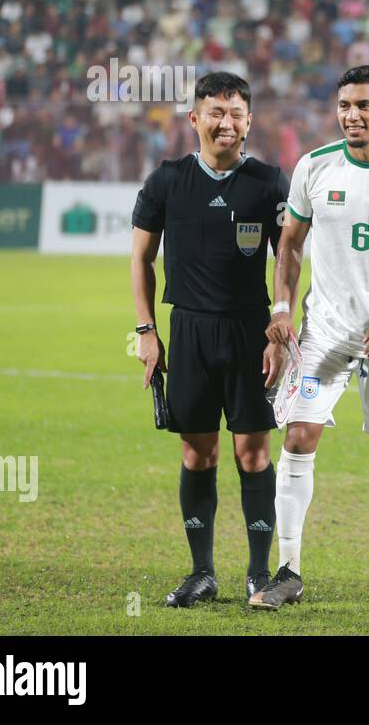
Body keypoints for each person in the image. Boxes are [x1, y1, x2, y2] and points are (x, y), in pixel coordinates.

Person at [251, 65, 369, 612]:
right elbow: (289, 244)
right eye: (344, 105)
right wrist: (283, 307)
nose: (351, 115)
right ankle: (287, 571)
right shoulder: (314, 167)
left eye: (363, 105)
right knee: (297, 438)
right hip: (325, 332)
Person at [130, 71, 289, 607]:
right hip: (189, 329)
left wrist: (281, 328)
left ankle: (259, 574)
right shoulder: (167, 180)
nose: (227, 123)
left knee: (253, 453)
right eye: (216, 113)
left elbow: (286, 259)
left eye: (237, 113)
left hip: (251, 331)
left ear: (249, 120)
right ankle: (202, 572)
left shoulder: (270, 183)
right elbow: (140, 259)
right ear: (194, 118)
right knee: (198, 454)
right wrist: (147, 331)